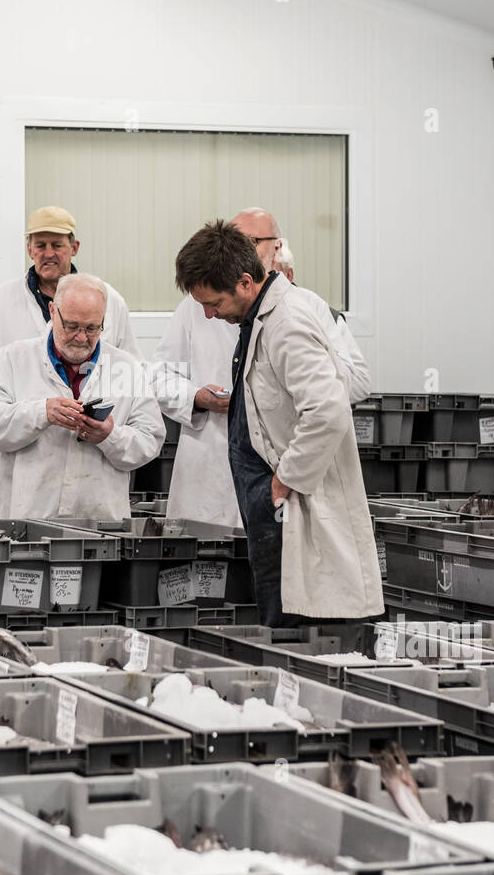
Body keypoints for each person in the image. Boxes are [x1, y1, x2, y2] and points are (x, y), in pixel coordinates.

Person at [174, 219, 382, 625]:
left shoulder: (287, 324)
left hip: (292, 507)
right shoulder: (259, 319)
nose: (210, 314)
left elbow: (327, 410)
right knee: (280, 623)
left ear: (246, 281)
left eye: (213, 302)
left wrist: (284, 482)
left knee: (302, 633)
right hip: (276, 515)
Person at [0, 273, 164, 519]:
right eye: (71, 326)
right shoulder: (11, 360)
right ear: (52, 310)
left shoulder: (127, 368)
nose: (81, 337)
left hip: (98, 526)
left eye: (92, 328)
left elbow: (151, 439)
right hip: (22, 520)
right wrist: (41, 412)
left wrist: (109, 436)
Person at [0, 206, 139, 387]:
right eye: (40, 245)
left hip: (91, 414)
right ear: (30, 250)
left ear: (74, 248)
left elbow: (132, 368)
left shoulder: (109, 300)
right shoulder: (1, 301)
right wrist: (7, 397)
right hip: (23, 414)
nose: (48, 253)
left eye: (57, 245)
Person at [231, 208, 371, 403]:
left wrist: (304, 377)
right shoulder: (207, 306)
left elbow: (357, 384)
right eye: (233, 244)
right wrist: (195, 398)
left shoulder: (310, 306)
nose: (239, 253)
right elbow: (173, 372)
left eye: (251, 241)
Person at [149, 297, 241, 526]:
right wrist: (197, 398)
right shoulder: (194, 307)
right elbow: (161, 377)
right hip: (209, 467)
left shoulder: (300, 306)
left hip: (272, 466)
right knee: (204, 552)